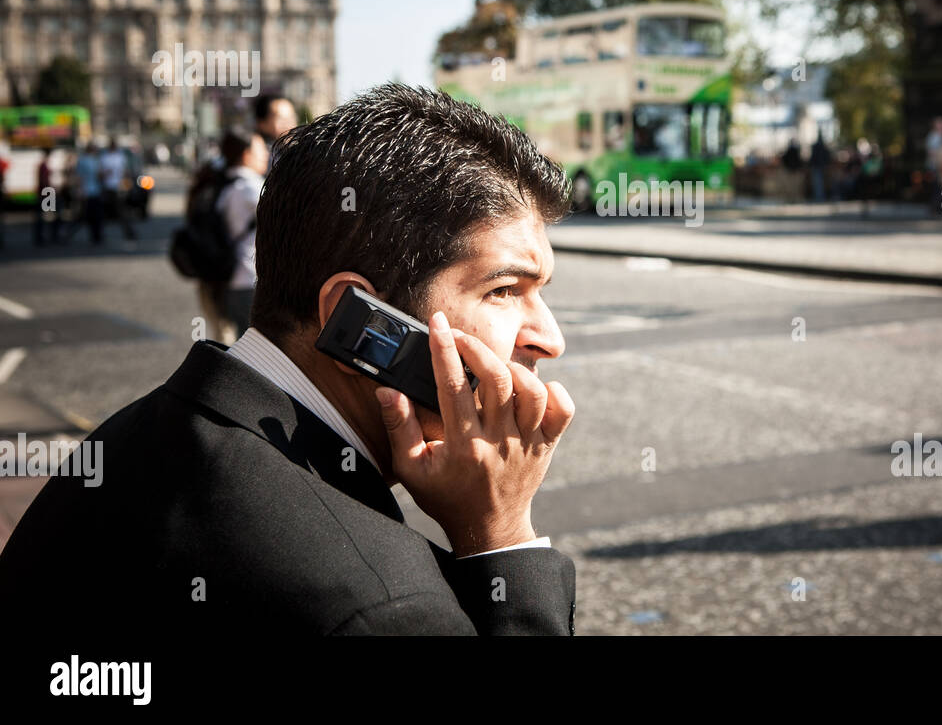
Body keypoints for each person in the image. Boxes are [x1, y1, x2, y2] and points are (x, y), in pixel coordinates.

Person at [0, 83, 578, 634]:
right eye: (504, 290)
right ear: (358, 322)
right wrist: (500, 534)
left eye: (544, 290)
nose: (550, 337)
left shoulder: (132, 434)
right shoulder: (378, 605)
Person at [213, 128, 267, 335]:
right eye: (261, 149)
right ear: (246, 155)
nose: (266, 155)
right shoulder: (250, 187)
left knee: (245, 344)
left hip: (234, 279)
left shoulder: (228, 185)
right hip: (250, 279)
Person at [98, 137, 136, 241]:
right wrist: (105, 174)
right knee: (105, 212)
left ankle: (129, 233)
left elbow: (126, 171)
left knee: (122, 211)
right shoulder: (104, 157)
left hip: (118, 187)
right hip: (107, 187)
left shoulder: (120, 156)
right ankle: (100, 235)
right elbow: (100, 173)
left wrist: (126, 181)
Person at [255, 93, 299, 170]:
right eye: (281, 119)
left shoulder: (299, 152)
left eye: (292, 117)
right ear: (262, 124)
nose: (288, 124)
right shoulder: (259, 159)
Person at [73, 141, 104, 244]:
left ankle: (97, 236)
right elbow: (79, 177)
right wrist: (80, 190)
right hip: (88, 191)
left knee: (96, 216)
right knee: (87, 216)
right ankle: (68, 234)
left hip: (95, 191)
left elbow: (99, 175)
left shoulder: (95, 160)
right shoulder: (83, 160)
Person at [32, 148, 63, 246]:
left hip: (44, 193)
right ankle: (51, 236)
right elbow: (45, 182)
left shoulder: (42, 165)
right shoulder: (44, 166)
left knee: (45, 216)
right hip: (46, 193)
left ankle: (44, 236)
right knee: (52, 215)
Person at [809, 132, 831, 202]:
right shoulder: (822, 146)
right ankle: (820, 196)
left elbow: (813, 157)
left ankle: (819, 196)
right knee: (819, 183)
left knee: (818, 183)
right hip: (821, 166)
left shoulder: (816, 147)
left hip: (818, 166)